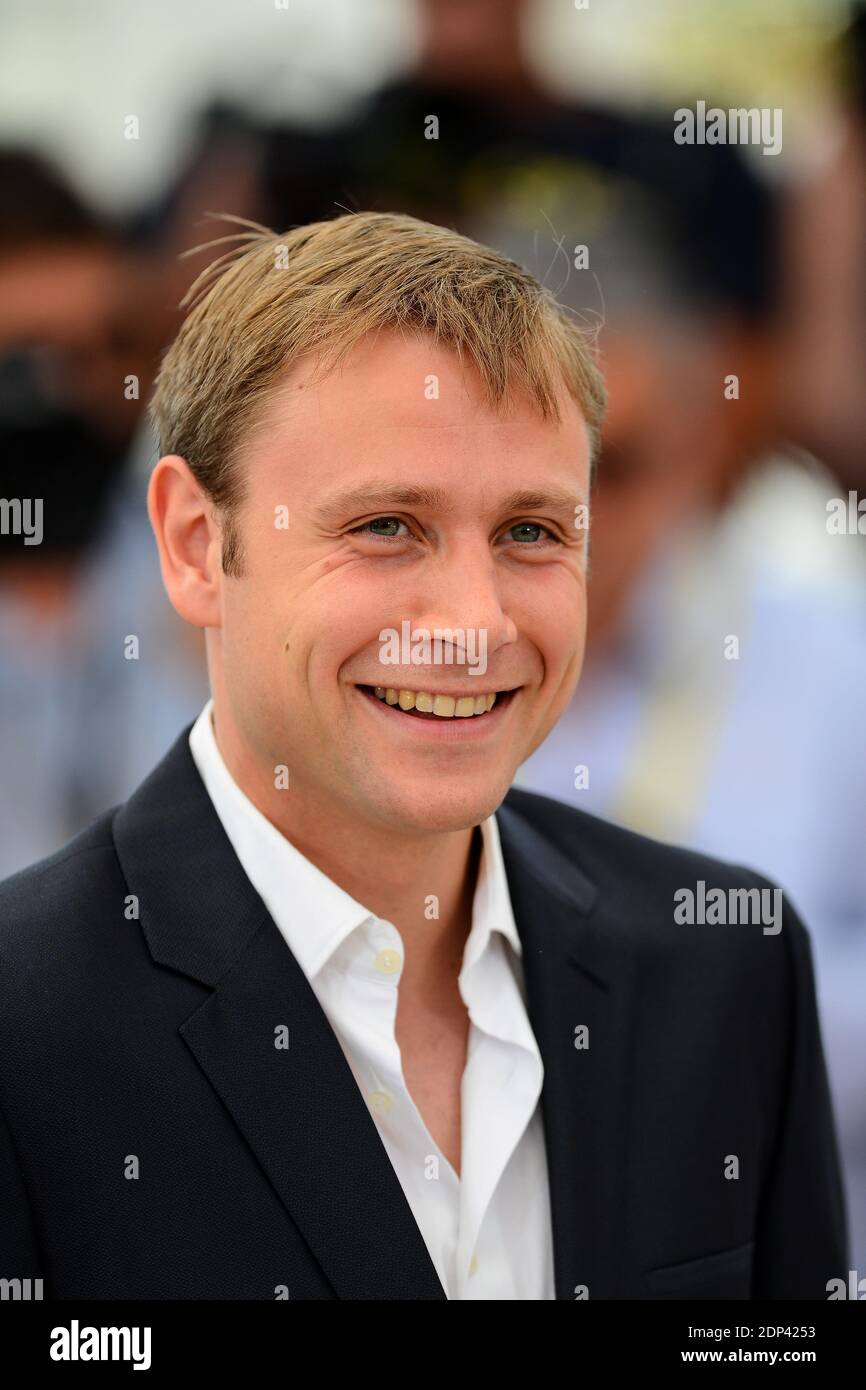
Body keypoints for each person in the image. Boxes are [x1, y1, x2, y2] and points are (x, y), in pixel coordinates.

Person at [0, 211, 847, 1300]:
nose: (470, 621)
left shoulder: (723, 970)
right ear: (197, 545)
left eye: (530, 531)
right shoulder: (28, 1033)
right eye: (387, 525)